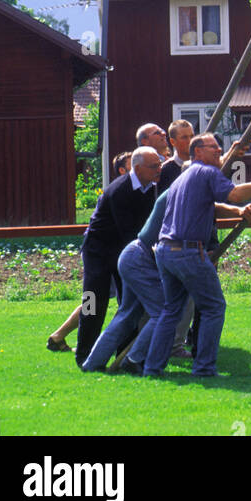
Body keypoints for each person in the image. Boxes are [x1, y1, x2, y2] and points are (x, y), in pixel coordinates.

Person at [142, 133, 251, 378]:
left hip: (166, 251)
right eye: (214, 148)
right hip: (188, 251)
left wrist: (237, 212)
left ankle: (152, 368)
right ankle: (204, 368)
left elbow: (210, 206)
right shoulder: (207, 173)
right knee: (213, 306)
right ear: (198, 151)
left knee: (171, 311)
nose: (218, 151)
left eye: (219, 148)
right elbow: (236, 194)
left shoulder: (183, 178)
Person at [74, 146, 163, 366]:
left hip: (124, 251)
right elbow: (128, 231)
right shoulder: (119, 190)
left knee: (129, 302)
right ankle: (84, 353)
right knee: (93, 302)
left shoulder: (149, 187)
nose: (159, 169)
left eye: (159, 164)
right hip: (98, 253)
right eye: (154, 166)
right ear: (138, 168)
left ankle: (123, 355)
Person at [157, 120, 195, 194]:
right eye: (184, 137)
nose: (190, 141)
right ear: (173, 142)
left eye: (192, 136)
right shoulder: (164, 171)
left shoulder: (203, 165)